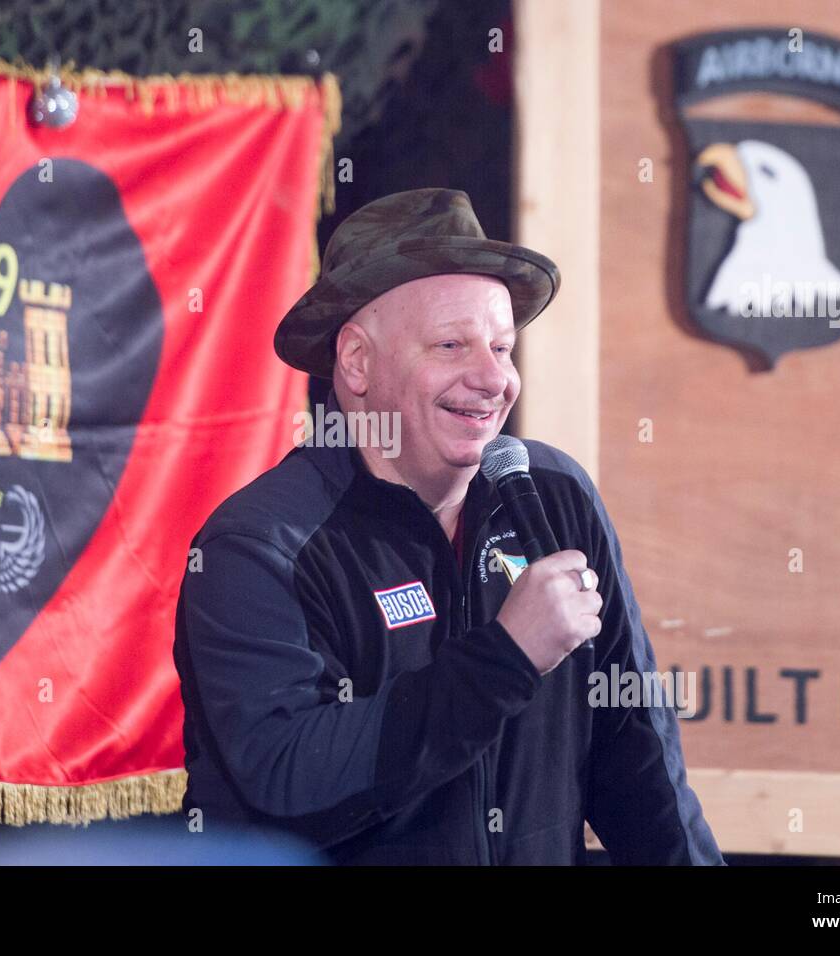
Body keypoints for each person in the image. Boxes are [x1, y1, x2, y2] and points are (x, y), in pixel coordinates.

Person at [173, 187, 724, 865]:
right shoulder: (259, 547)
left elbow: (638, 759)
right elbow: (290, 782)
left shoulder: (555, 497)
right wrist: (506, 657)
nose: (495, 379)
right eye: (452, 345)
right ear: (357, 363)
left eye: (502, 346)